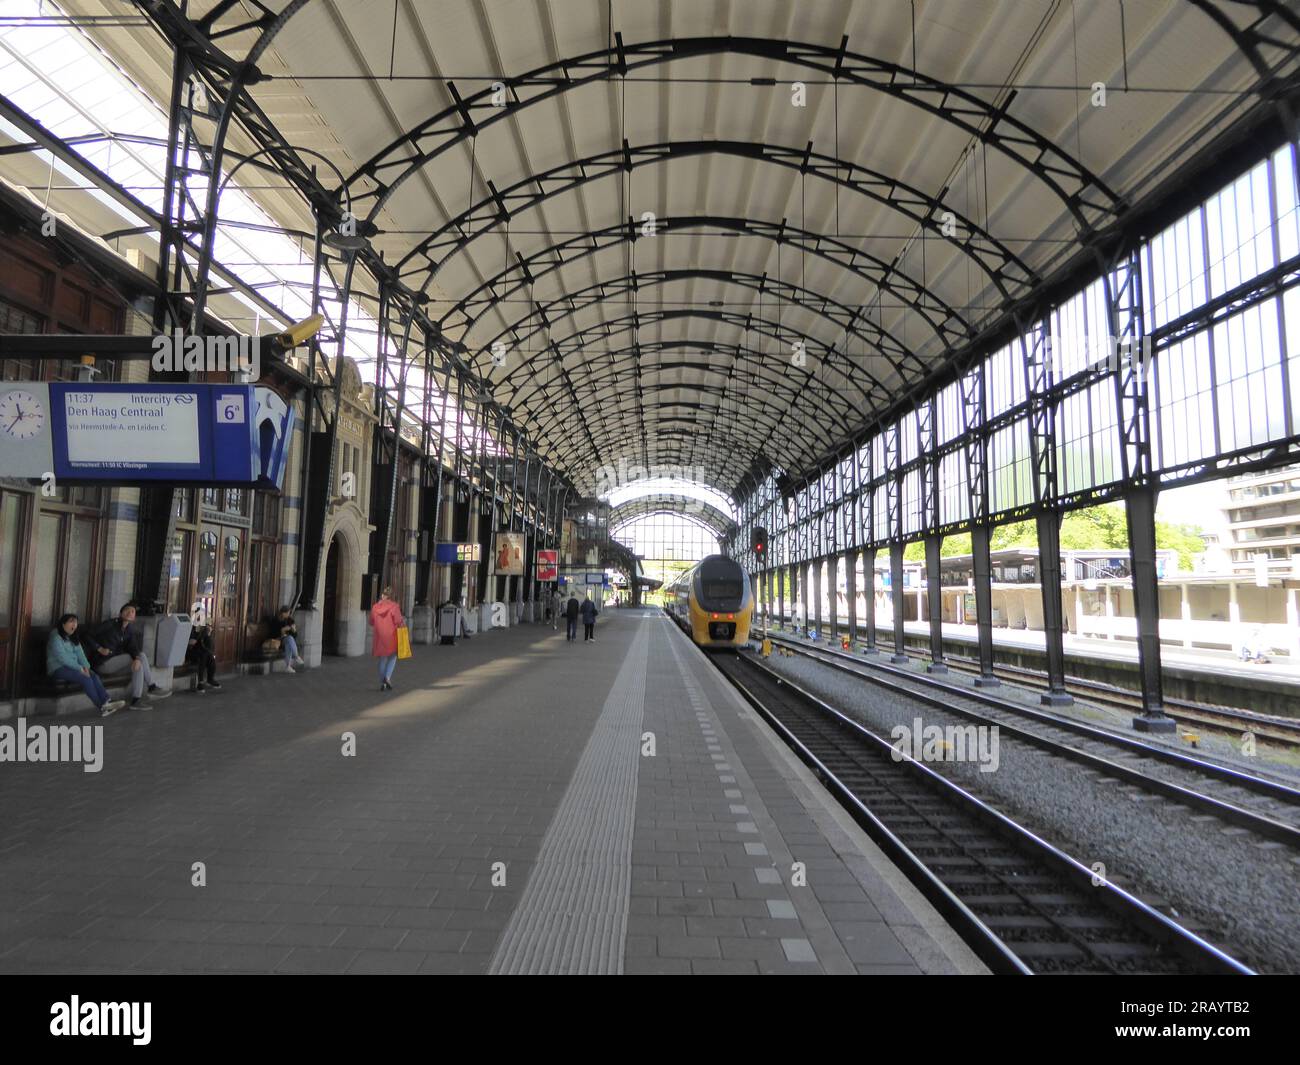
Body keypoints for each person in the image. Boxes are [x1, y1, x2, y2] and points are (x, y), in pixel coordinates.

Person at [83, 603, 172, 710]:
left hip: (115, 663)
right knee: (140, 657)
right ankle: (151, 687)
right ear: (121, 613)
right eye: (127, 610)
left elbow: (133, 647)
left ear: (134, 617)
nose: (130, 613)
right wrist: (99, 648)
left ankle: (136, 699)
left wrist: (137, 658)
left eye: (132, 611)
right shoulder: (110, 624)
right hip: (102, 663)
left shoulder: (129, 630)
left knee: (138, 662)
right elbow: (86, 635)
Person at [47, 613, 125, 716]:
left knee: (94, 676)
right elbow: (62, 658)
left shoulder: (73, 637)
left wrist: (86, 667)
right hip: (58, 668)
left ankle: (107, 701)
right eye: (71, 622)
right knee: (85, 678)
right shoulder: (56, 637)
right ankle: (102, 706)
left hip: (74, 667)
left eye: (75, 622)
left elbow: (81, 654)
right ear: (63, 624)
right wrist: (80, 668)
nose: (74, 625)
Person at [370, 586, 404, 691]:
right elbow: (398, 621)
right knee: (393, 656)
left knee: (382, 658)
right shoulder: (394, 606)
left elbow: (371, 622)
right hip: (391, 636)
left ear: (382, 596)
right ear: (391, 597)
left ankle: (383, 682)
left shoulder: (375, 607)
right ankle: (387, 677)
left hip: (380, 636)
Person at [185, 614, 222, 692]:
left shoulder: (206, 632)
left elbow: (209, 646)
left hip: (203, 654)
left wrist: (208, 635)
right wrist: (198, 637)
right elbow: (190, 643)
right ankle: (200, 682)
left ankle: (210, 679)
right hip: (192, 653)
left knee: (210, 657)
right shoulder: (193, 630)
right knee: (204, 656)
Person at [273, 606, 306, 673]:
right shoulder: (276, 620)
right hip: (278, 640)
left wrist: (294, 631)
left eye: (289, 613)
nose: (289, 614)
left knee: (289, 642)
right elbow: (273, 633)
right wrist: (282, 631)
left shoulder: (290, 620)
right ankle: (296, 656)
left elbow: (295, 636)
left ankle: (288, 666)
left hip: (287, 640)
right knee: (289, 640)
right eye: (287, 613)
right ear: (283, 613)